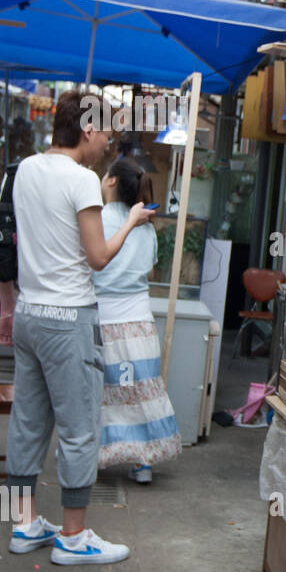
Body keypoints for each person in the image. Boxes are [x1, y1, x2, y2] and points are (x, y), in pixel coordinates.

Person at [0, 90, 154, 566]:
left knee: (27, 421)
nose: (108, 142)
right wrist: (128, 222)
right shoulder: (83, 180)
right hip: (69, 320)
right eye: (106, 131)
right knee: (80, 427)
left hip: (29, 313)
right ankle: (72, 534)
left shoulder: (25, 169)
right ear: (87, 129)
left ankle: (24, 525)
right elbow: (99, 258)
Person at [94, 158, 180, 484]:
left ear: (113, 181)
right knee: (141, 391)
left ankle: (95, 458)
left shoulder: (98, 220)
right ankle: (144, 463)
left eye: (105, 174)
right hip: (141, 323)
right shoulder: (147, 228)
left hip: (106, 321)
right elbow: (151, 269)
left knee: (103, 392)